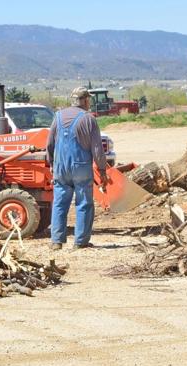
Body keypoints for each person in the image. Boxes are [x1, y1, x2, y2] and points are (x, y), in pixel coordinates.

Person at [46, 87, 109, 250]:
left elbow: (50, 144)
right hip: (80, 166)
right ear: (86, 100)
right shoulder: (89, 119)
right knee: (84, 203)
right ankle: (80, 242)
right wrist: (102, 170)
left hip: (61, 167)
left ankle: (56, 241)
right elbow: (97, 149)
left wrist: (52, 163)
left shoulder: (58, 116)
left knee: (59, 202)